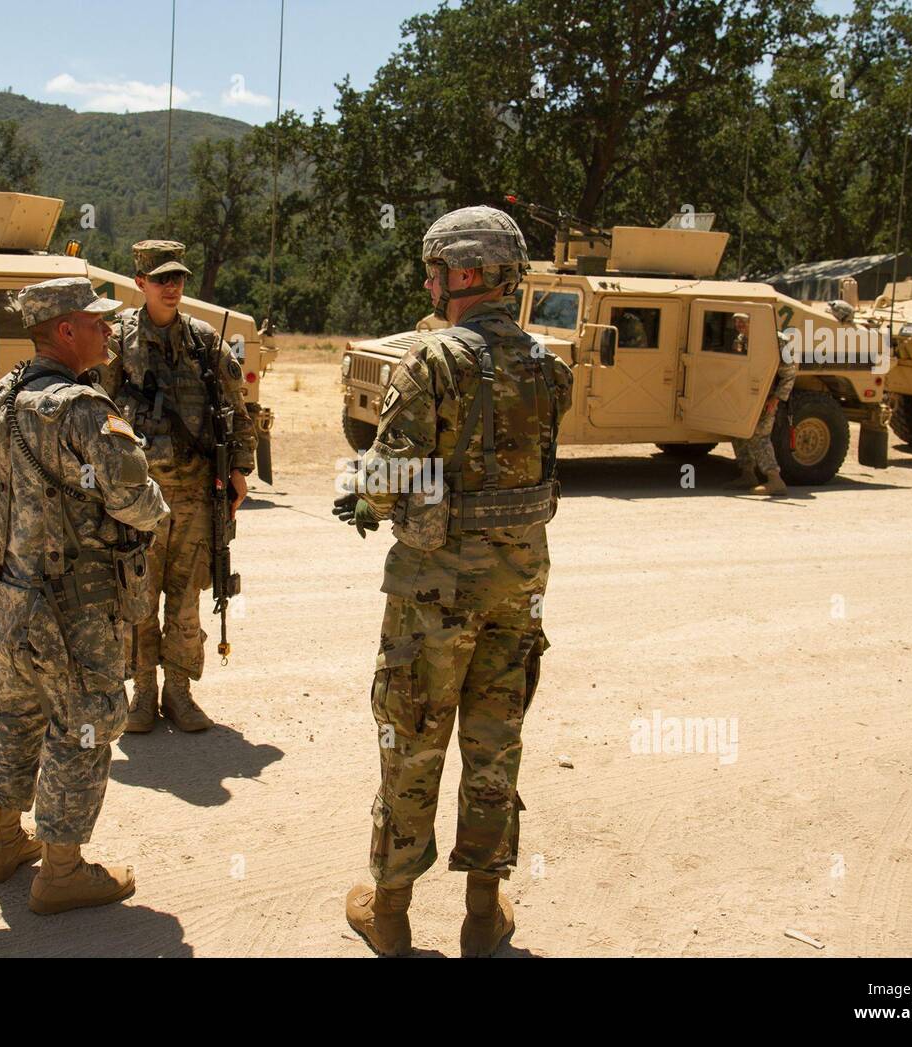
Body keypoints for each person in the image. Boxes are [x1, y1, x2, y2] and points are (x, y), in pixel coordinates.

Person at [333, 206, 572, 957]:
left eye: (436, 269)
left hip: (437, 593)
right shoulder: (546, 363)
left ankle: (392, 914)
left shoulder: (431, 362)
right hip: (519, 587)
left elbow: (390, 473)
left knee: (411, 741)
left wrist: (361, 491)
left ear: (466, 274)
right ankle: (482, 913)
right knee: (495, 744)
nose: (429, 282)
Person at [0, 276, 169, 914]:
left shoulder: (0, 398)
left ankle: (2, 841)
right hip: (73, 608)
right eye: (98, 321)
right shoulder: (83, 409)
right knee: (81, 726)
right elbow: (143, 506)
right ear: (65, 330)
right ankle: (61, 871)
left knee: (18, 714)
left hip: (7, 595)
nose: (110, 330)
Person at [104, 241, 255, 733]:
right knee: (139, 599)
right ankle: (142, 694)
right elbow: (95, 411)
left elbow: (236, 408)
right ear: (140, 283)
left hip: (194, 494)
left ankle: (180, 692)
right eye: (161, 279)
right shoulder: (118, 342)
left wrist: (240, 471)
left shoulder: (204, 340)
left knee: (187, 599)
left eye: (179, 279)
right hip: (138, 499)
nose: (172, 288)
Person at [724, 312, 797, 496]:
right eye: (737, 321)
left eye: (744, 321)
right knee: (739, 431)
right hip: (745, 394)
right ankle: (747, 473)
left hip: (766, 395)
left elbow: (789, 373)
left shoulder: (779, 340)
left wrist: (776, 398)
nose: (739, 325)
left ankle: (774, 479)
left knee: (760, 435)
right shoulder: (741, 339)